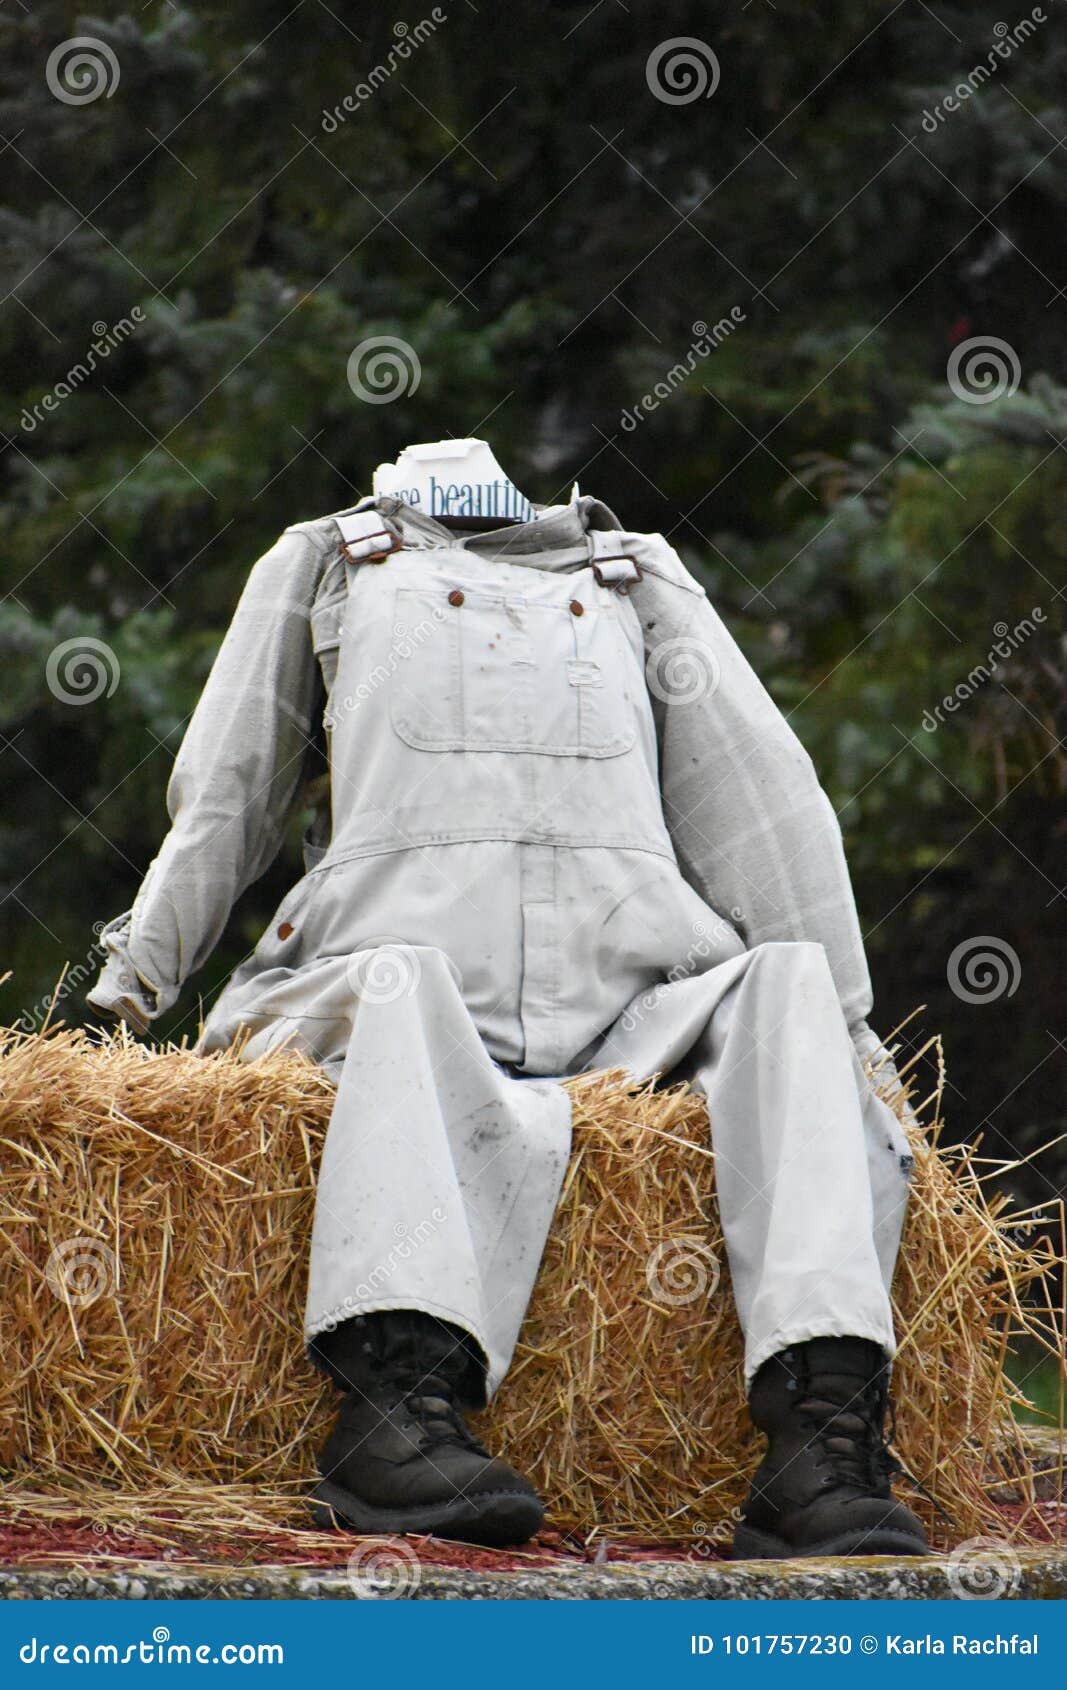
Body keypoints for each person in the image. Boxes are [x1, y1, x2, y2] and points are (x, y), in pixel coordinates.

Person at [88, 491, 929, 1558]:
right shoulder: (328, 559)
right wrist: (136, 979)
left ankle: (821, 1432)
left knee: (788, 982)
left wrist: (849, 1029)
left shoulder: (634, 575)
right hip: (390, 985)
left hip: (634, 1009)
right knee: (399, 984)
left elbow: (763, 801)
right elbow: (228, 791)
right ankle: (396, 1404)